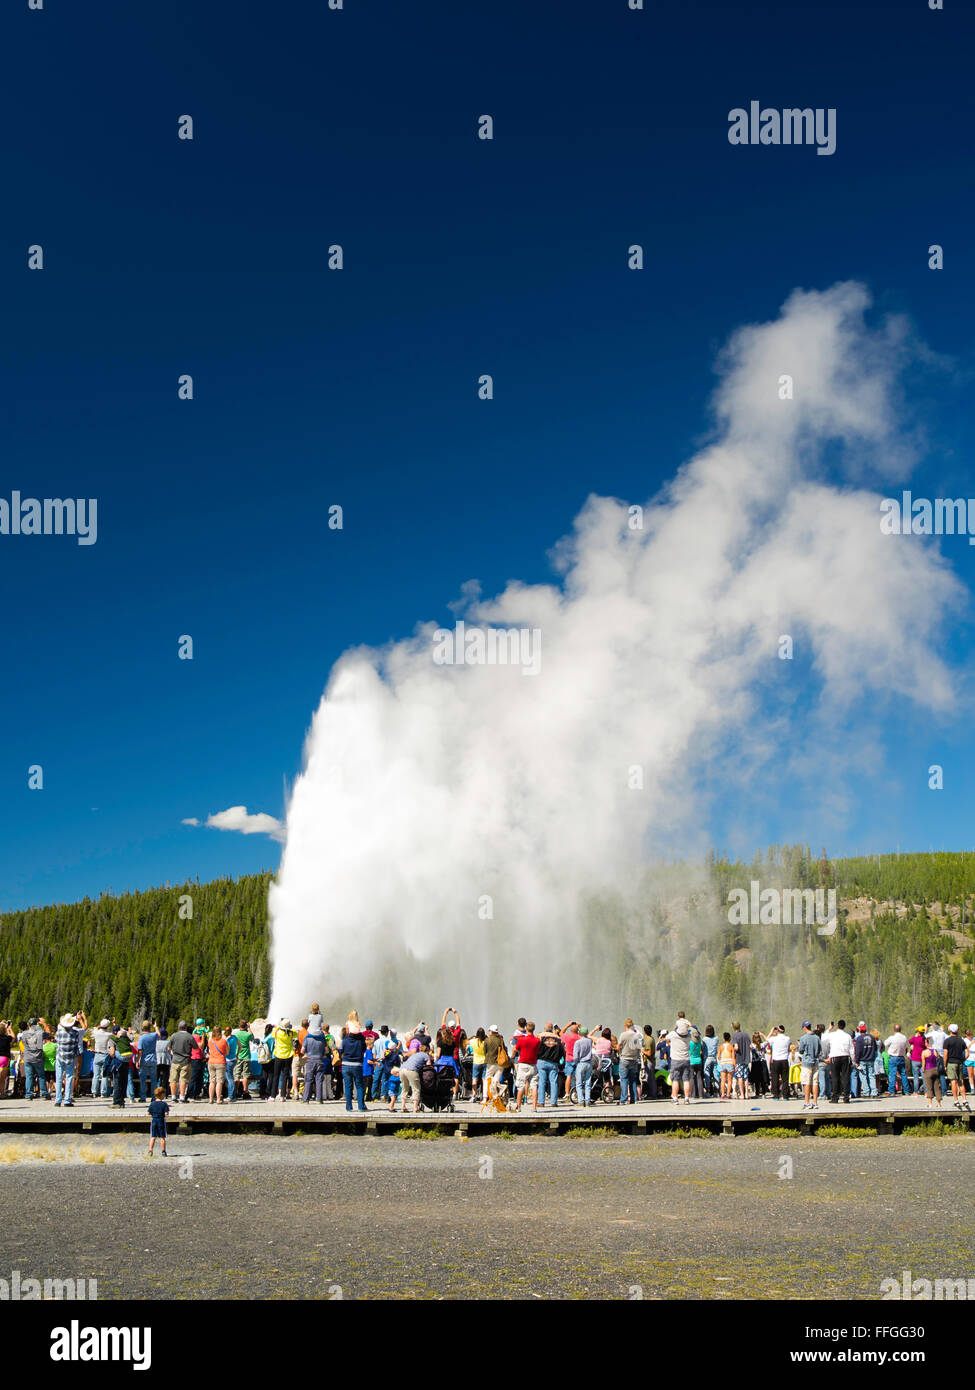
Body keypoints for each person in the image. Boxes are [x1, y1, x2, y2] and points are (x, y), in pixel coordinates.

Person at [54, 1010, 87, 1107]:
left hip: (60, 1057)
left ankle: (58, 1100)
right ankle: (67, 1100)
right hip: (71, 1057)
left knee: (59, 1078)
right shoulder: (76, 1033)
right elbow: (77, 1044)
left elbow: (59, 1024)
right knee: (69, 1078)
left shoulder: (58, 1032)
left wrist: (69, 1017)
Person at [512, 1022, 541, 1112]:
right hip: (533, 1065)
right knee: (534, 1086)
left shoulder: (521, 1040)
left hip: (523, 1064)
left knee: (520, 1086)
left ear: (526, 1029)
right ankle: (534, 1107)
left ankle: (519, 1107)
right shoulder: (537, 1041)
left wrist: (512, 1057)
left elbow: (516, 1048)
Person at [340, 1020, 367, 1112]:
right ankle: (360, 1107)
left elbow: (340, 1050)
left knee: (348, 1086)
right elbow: (364, 1049)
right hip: (357, 1065)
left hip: (346, 1065)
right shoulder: (361, 1040)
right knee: (359, 1086)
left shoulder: (345, 1040)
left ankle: (349, 1107)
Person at [19, 1016, 48, 1100]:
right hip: (38, 1058)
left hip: (27, 1057)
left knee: (29, 1076)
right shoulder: (40, 1033)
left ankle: (29, 1094)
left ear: (29, 1024)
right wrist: (44, 1024)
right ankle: (44, 1094)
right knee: (41, 1076)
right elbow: (49, 1033)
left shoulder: (24, 1034)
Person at [943, 1024, 970, 1111]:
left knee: (953, 1082)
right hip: (960, 1063)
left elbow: (945, 1054)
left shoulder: (947, 1041)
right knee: (961, 1082)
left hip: (951, 1062)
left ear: (950, 1031)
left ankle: (956, 1100)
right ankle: (965, 1099)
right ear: (957, 1030)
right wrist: (963, 1059)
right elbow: (967, 1053)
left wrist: (944, 1064)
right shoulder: (961, 1041)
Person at [535, 1024, 563, 1109]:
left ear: (545, 1029)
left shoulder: (541, 1037)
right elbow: (561, 1051)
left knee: (542, 1082)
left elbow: (537, 1048)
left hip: (542, 1061)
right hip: (553, 1062)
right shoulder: (557, 1039)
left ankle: (541, 1102)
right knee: (554, 1082)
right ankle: (553, 1102)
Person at [828, 1019, 854, 1103]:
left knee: (835, 1077)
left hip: (835, 1057)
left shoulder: (832, 1035)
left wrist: (829, 1028)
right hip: (845, 1057)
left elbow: (823, 1037)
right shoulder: (848, 1036)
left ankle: (835, 1097)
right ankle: (846, 1097)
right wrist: (852, 1060)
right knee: (845, 1077)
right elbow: (852, 1049)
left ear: (837, 1026)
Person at [669, 1014, 693, 1104]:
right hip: (686, 1059)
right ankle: (686, 1098)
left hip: (676, 1059)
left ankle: (675, 1098)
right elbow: (690, 1027)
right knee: (686, 1080)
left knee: (675, 1079)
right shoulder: (689, 1036)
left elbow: (666, 1038)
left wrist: (675, 1029)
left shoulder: (673, 1034)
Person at [617, 1019, 642, 1106]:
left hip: (624, 1058)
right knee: (633, 1080)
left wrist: (619, 1052)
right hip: (634, 1059)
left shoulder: (623, 1035)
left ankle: (623, 1100)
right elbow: (639, 1047)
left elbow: (618, 1046)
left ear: (625, 1026)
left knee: (624, 1079)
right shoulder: (636, 1035)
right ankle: (634, 1099)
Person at [169, 1020, 194, 1103]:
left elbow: (169, 1048)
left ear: (178, 1027)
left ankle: (173, 1097)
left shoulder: (173, 1036)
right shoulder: (189, 1036)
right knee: (183, 1079)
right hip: (186, 1060)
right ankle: (182, 1097)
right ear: (186, 1027)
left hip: (175, 1060)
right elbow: (196, 1047)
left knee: (173, 1079)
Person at [798, 1022, 821, 1110]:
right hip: (815, 1062)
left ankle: (807, 1103)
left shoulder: (803, 1038)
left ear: (804, 1027)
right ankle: (815, 1102)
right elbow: (819, 1050)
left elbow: (800, 1050)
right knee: (815, 1082)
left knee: (806, 1082)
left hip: (806, 1063)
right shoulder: (817, 1038)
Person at [271, 1019, 295, 1101]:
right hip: (288, 1056)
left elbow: (273, 1033)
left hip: (278, 1055)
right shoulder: (291, 1033)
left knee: (276, 1076)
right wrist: (289, 1028)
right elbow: (295, 1032)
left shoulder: (277, 1033)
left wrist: (278, 1027)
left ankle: (273, 1096)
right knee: (285, 1076)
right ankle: (283, 1096)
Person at [230, 1020, 254, 1100]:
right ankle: (245, 1091)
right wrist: (249, 1028)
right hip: (246, 1056)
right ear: (246, 1026)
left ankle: (235, 1092)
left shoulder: (236, 1034)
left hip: (238, 1056)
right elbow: (253, 1038)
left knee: (236, 1075)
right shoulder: (247, 1034)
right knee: (245, 1075)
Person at [136, 1020, 159, 1102]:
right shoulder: (153, 1035)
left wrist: (137, 1061)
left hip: (144, 1060)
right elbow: (158, 1034)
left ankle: (143, 1097)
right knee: (153, 1079)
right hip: (153, 1059)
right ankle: (154, 1097)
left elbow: (140, 1051)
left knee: (143, 1079)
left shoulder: (142, 1038)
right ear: (150, 1027)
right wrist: (156, 1026)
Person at [884, 1023, 909, 1097]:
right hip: (901, 1057)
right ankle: (906, 1091)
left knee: (892, 1074)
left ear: (894, 1030)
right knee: (903, 1074)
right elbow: (905, 1047)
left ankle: (892, 1091)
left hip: (893, 1057)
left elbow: (885, 1043)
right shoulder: (904, 1038)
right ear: (900, 1030)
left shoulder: (892, 1038)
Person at [768, 1025, 791, 1101]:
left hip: (776, 1060)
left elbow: (767, 1039)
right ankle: (785, 1096)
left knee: (775, 1078)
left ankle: (776, 1095)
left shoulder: (774, 1039)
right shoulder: (787, 1038)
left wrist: (771, 1032)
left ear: (777, 1031)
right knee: (785, 1079)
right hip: (784, 1059)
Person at [573, 1027, 594, 1107]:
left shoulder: (577, 1042)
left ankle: (581, 1101)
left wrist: (576, 1063)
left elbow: (575, 1056)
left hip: (581, 1063)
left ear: (580, 1033)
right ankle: (588, 1100)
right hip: (589, 1063)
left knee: (579, 1083)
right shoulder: (590, 1041)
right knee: (588, 1083)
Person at [731, 1021, 751, 1102]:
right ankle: (747, 1094)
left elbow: (736, 1047)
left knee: (740, 1077)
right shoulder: (746, 1035)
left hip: (739, 1059)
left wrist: (732, 1048)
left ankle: (742, 1094)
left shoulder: (735, 1036)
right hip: (746, 1058)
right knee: (746, 1077)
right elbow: (750, 1046)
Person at [208, 1026, 229, 1103]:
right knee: (219, 1081)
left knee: (212, 1081)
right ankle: (218, 1099)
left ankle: (210, 1099)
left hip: (211, 1062)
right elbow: (227, 1052)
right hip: (220, 1062)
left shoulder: (210, 1041)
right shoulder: (223, 1041)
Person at [147, 1085, 170, 1156]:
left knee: (153, 1137)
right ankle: (163, 1151)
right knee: (162, 1137)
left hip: (154, 1120)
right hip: (161, 1120)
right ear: (162, 1094)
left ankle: (150, 1151)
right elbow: (166, 1113)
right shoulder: (164, 1104)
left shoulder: (152, 1103)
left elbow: (148, 1113)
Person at [921, 1035, 942, 1108]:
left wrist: (923, 1069)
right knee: (937, 1087)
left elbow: (923, 1063)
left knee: (929, 1087)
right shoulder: (935, 1051)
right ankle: (939, 1103)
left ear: (927, 1043)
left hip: (928, 1070)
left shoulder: (924, 1052)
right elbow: (938, 1059)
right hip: (935, 1069)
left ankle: (930, 1104)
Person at [469, 1028, 487, 1103]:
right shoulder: (486, 1041)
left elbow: (466, 1042)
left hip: (476, 1062)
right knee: (484, 1080)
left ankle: (474, 1096)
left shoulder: (473, 1041)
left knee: (474, 1079)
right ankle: (484, 1096)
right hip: (484, 1061)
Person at [717, 1032, 735, 1099]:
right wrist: (735, 1065)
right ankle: (728, 1095)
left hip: (723, 1063)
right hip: (730, 1063)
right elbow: (733, 1057)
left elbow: (718, 1056)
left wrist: (722, 1059)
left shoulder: (721, 1046)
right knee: (729, 1080)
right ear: (730, 1038)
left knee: (723, 1080)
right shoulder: (731, 1046)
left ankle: (722, 1094)